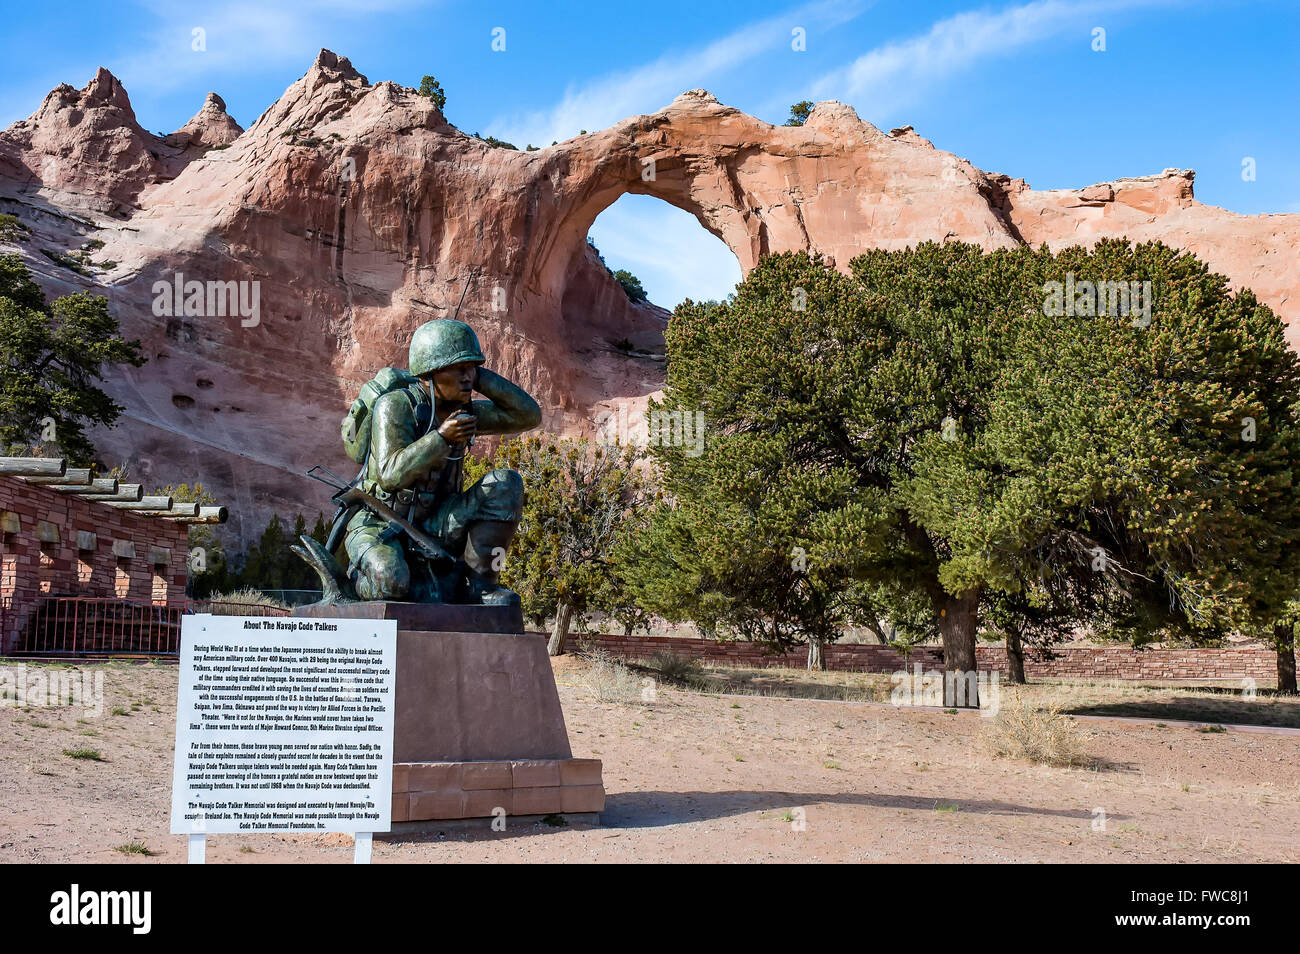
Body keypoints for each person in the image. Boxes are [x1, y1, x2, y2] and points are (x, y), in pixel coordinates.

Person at [344, 318, 541, 604]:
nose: (467, 377)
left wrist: (479, 376)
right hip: (381, 519)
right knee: (391, 583)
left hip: (438, 521)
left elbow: (528, 416)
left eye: (472, 369)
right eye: (459, 369)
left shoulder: (464, 410)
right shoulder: (397, 405)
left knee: (506, 484)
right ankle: (353, 582)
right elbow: (389, 474)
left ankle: (481, 588)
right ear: (430, 372)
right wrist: (441, 438)